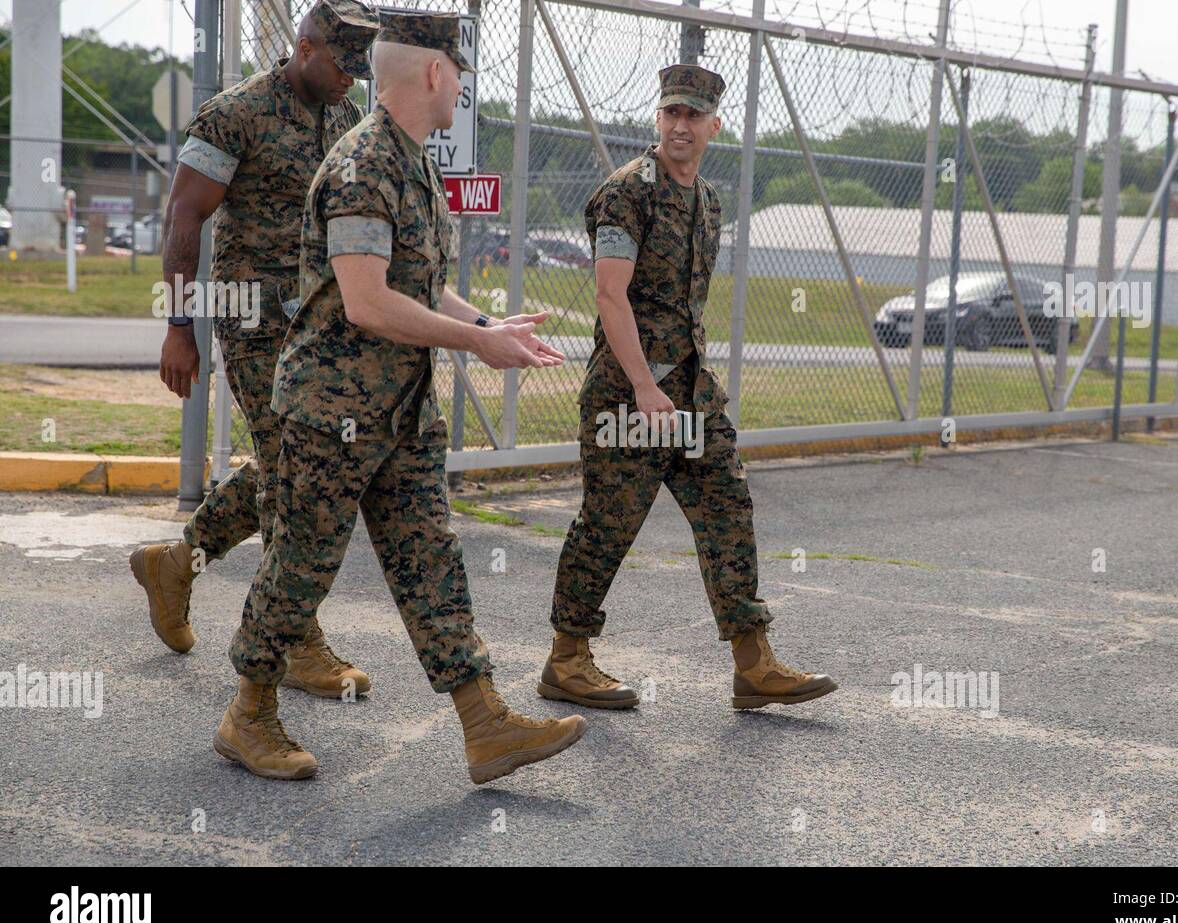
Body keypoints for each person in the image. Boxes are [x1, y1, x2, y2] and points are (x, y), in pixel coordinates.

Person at [214, 11, 586, 784]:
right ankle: (248, 714)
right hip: (332, 411)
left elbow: (419, 286)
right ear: (432, 74)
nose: (461, 86)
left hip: (398, 409)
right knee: (303, 563)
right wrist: (477, 345)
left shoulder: (409, 162)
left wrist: (486, 322)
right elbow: (366, 302)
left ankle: (486, 725)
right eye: (458, 72)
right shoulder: (363, 166)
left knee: (430, 561)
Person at [540, 65, 837, 712]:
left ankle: (753, 663)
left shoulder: (707, 199)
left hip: (693, 396)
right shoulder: (627, 193)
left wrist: (683, 388)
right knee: (609, 524)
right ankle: (567, 659)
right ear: (658, 120)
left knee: (727, 504)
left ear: (713, 126)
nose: (681, 126)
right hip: (630, 395)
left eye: (693, 117)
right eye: (671, 113)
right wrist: (646, 387)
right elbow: (609, 295)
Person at [130, 0, 378, 699]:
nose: (350, 80)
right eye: (341, 64)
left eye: (361, 69)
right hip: (254, 325)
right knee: (298, 476)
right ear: (304, 46)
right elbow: (184, 215)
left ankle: (177, 563)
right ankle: (297, 643)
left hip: (320, 326)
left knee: (292, 463)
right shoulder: (234, 114)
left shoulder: (344, 117)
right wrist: (181, 325)